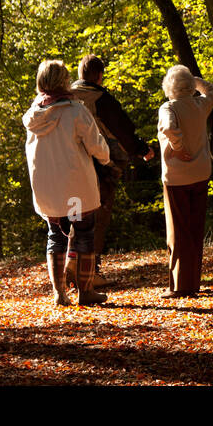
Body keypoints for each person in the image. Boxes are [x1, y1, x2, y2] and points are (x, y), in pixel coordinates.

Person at [22, 59, 111, 307]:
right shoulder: (75, 111)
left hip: (47, 189)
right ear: (64, 82)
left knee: (55, 236)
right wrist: (105, 159)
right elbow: (97, 146)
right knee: (83, 234)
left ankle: (60, 294)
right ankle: (85, 291)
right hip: (76, 187)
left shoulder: (33, 116)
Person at [70, 54, 153, 286]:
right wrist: (141, 149)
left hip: (68, 166)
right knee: (97, 216)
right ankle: (90, 272)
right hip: (101, 165)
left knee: (75, 216)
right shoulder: (101, 98)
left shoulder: (65, 98)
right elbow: (122, 129)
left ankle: (71, 265)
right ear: (99, 76)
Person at [155, 65, 213, 298]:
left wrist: (179, 148)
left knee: (177, 230)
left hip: (177, 176)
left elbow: (169, 128)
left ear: (169, 87)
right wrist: (194, 80)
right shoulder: (199, 105)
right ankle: (192, 282)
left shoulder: (168, 107)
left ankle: (179, 286)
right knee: (194, 228)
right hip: (200, 173)